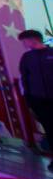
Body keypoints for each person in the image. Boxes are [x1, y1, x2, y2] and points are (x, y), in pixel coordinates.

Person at [17, 29, 53, 168]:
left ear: (33, 39)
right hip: (39, 100)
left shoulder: (51, 53)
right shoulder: (27, 58)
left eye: (24, 41)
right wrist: (29, 100)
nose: (24, 44)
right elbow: (24, 79)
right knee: (49, 128)